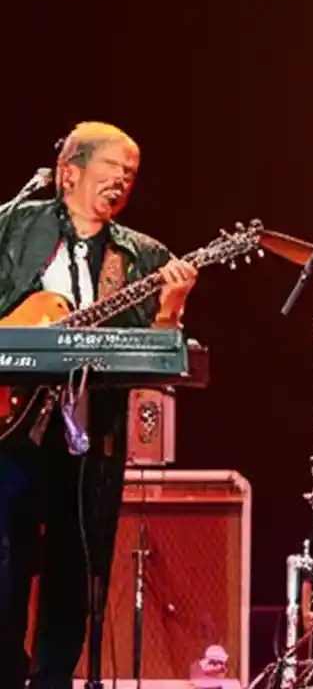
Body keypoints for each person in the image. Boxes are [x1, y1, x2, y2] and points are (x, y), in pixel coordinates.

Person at [0, 122, 198, 688]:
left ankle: (55, 678)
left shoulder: (143, 256)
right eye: (111, 167)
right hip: (10, 430)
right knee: (7, 560)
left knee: (75, 563)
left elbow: (156, 353)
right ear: (69, 172)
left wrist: (170, 311)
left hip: (89, 433)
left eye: (130, 174)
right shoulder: (12, 227)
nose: (121, 180)